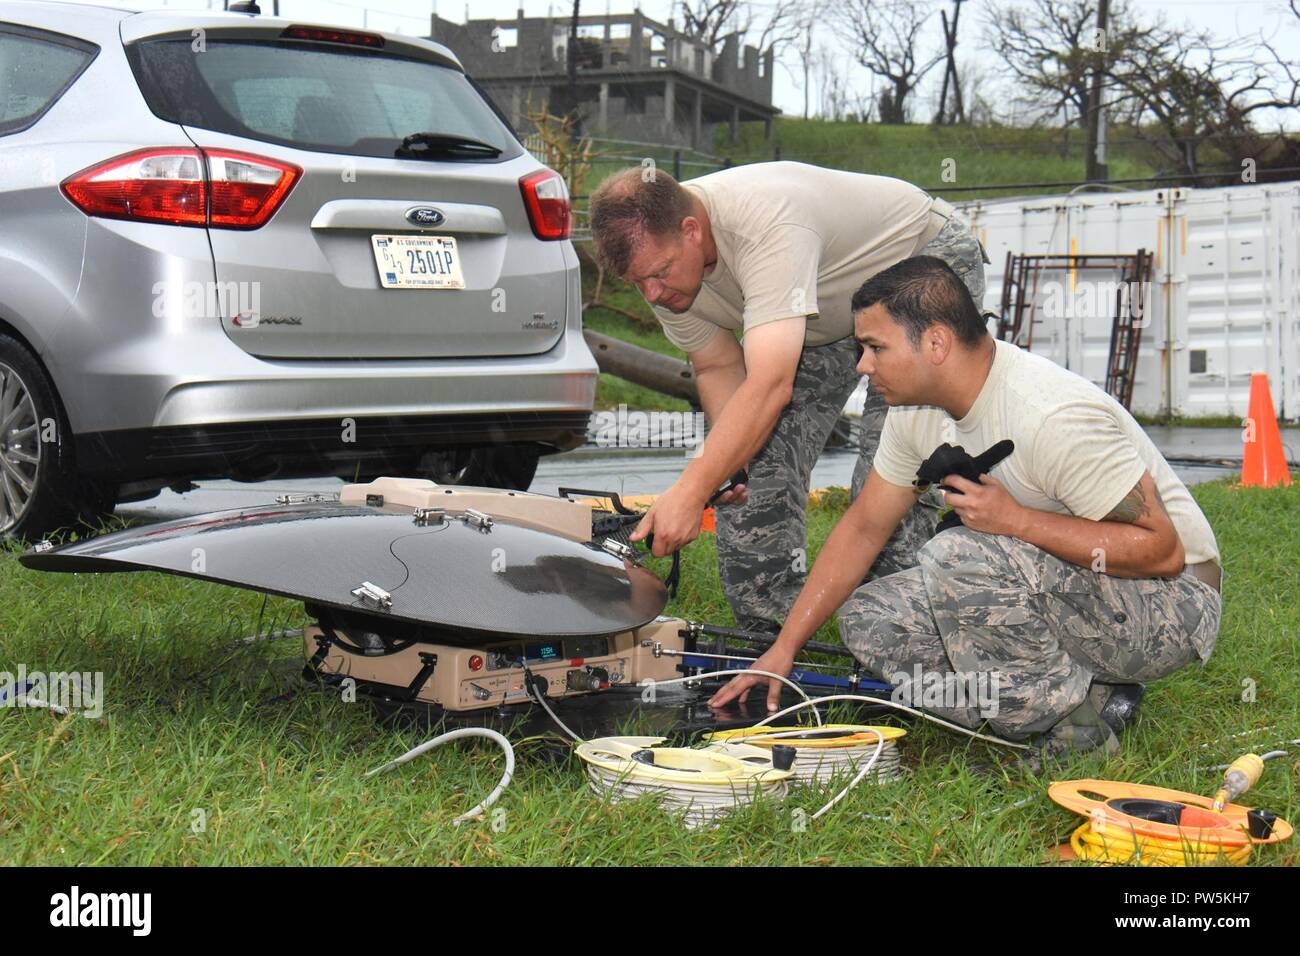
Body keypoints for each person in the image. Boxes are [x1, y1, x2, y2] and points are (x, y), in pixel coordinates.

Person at [708, 256, 1222, 757]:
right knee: (870, 615)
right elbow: (864, 527)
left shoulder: (1051, 414)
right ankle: (1079, 699)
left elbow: (1163, 554)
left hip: (1173, 604)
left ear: (935, 342)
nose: (862, 365)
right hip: (1076, 589)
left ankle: (1067, 731)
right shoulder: (915, 411)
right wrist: (784, 649)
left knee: (956, 554)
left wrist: (1017, 521)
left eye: (874, 347)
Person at [587, 161, 988, 634]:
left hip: (917, 269)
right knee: (751, 479)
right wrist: (728, 470)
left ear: (692, 230)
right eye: (638, 283)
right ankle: (771, 643)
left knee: (889, 477)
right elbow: (719, 366)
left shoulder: (764, 222)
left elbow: (771, 385)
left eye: (659, 273)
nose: (652, 293)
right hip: (817, 314)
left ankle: (897, 642)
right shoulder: (667, 275)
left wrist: (691, 490)